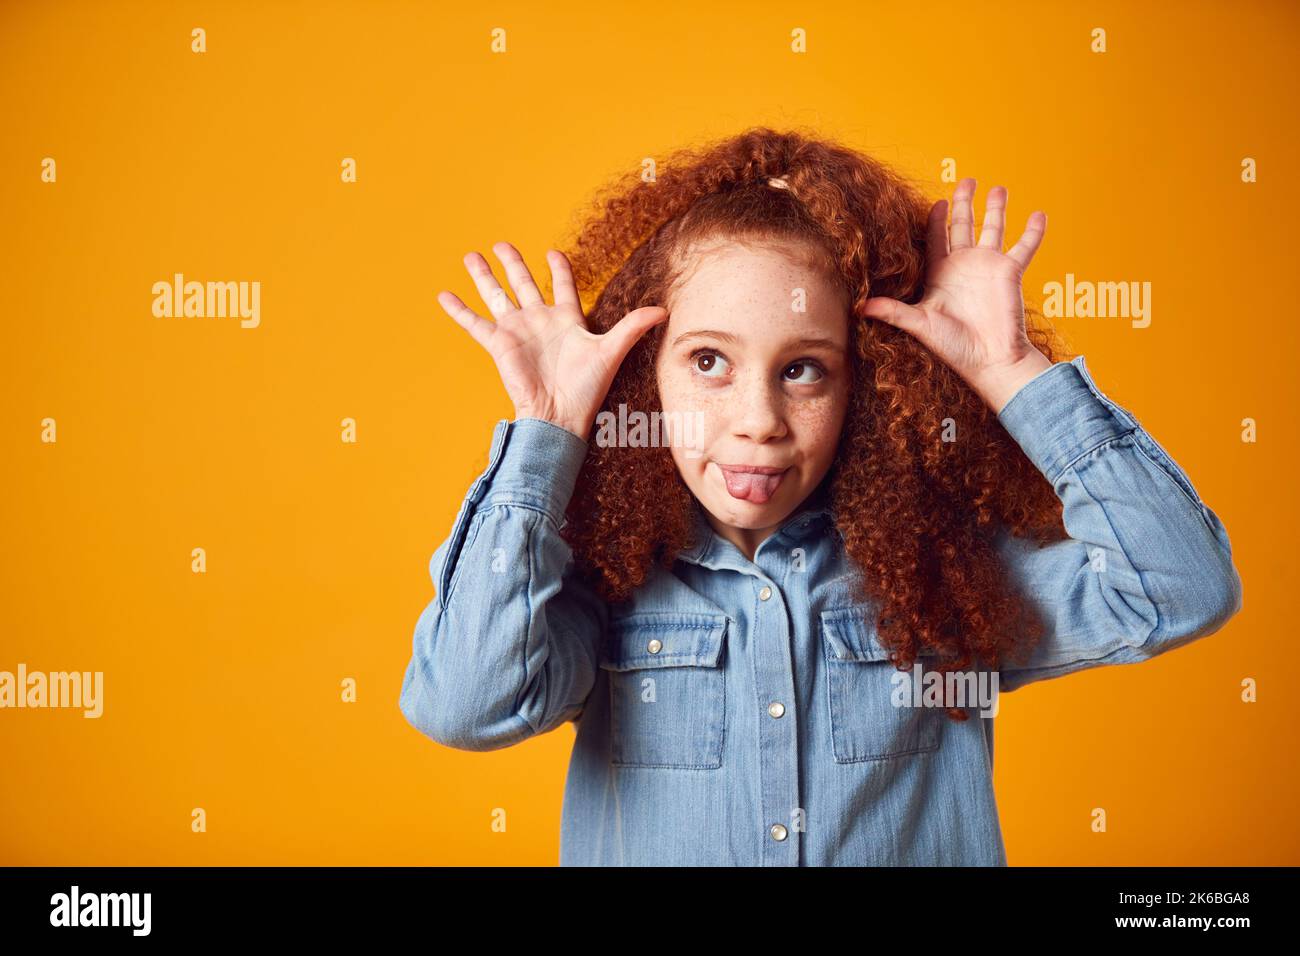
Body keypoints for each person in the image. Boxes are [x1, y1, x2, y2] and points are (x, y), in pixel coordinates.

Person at [398, 127, 1243, 865]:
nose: (758, 421)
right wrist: (547, 433)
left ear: (866, 387)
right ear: (640, 380)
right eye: (707, 362)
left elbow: (1180, 586)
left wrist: (1010, 371)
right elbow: (464, 704)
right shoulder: (601, 588)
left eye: (802, 369)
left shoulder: (944, 582)